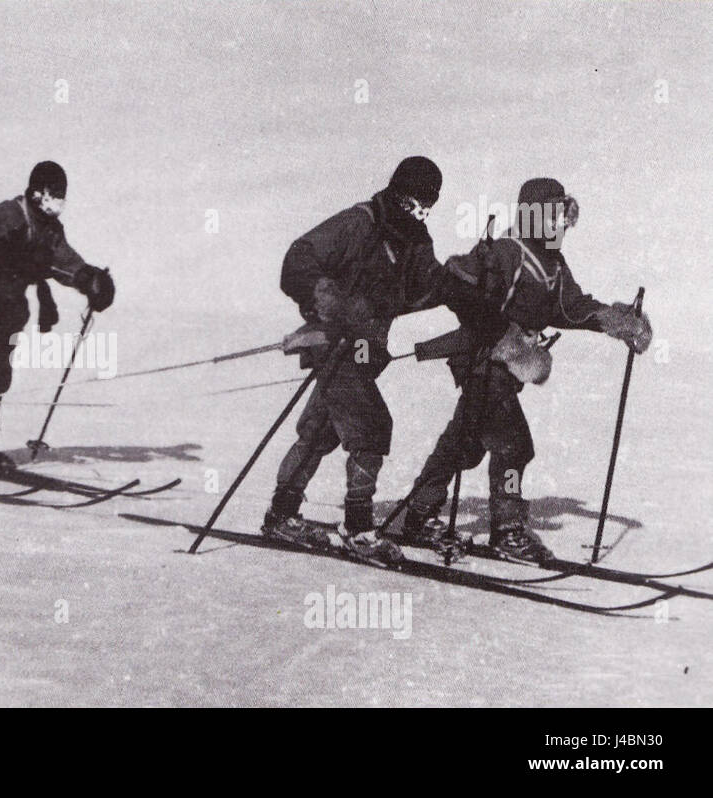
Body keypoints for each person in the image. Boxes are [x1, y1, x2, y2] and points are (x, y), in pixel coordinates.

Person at [389, 177, 652, 562]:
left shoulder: (553, 265)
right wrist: (480, 294)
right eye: (555, 216)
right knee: (514, 446)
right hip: (485, 362)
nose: (561, 225)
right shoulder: (510, 252)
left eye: (565, 217)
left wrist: (615, 320)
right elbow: (456, 280)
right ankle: (508, 531)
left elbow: (569, 308)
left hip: (507, 369)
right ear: (535, 216)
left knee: (462, 444)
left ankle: (419, 514)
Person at [262, 156, 459, 564]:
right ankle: (357, 527)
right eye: (414, 202)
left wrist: (466, 281)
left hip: (366, 350)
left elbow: (428, 287)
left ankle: (282, 514)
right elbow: (297, 260)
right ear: (397, 192)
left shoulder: (416, 240)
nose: (421, 211)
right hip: (335, 345)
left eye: (428, 204)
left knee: (321, 431)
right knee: (370, 426)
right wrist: (329, 299)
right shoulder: (360, 223)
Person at [0, 160, 115, 471]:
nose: (59, 200)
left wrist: (88, 278)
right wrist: (14, 263)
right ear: (37, 192)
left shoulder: (50, 228)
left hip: (12, 307)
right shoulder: (6, 214)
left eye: (62, 193)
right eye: (54, 192)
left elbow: (61, 259)